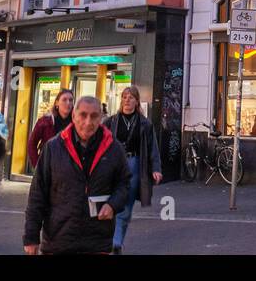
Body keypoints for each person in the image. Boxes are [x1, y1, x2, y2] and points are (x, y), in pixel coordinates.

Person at [24, 94, 130, 255]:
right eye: (83, 115)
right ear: (74, 116)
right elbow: (37, 194)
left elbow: (124, 184)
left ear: (101, 118)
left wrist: (113, 205)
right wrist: (31, 237)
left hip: (97, 240)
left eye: (94, 116)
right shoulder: (53, 148)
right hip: (58, 240)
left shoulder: (114, 148)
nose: (88, 122)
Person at [103, 86, 163, 254]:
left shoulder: (145, 124)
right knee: (110, 201)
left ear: (137, 101)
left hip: (134, 164)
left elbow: (153, 148)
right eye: (124, 97)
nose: (127, 100)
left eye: (131, 97)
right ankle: (111, 237)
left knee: (126, 206)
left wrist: (156, 169)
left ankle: (116, 242)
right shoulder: (111, 121)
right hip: (113, 166)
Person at [29, 89, 74, 169]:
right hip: (48, 166)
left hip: (69, 168)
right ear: (57, 103)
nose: (68, 103)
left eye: (71, 100)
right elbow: (32, 143)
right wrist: (37, 166)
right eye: (64, 100)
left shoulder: (76, 122)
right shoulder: (45, 121)